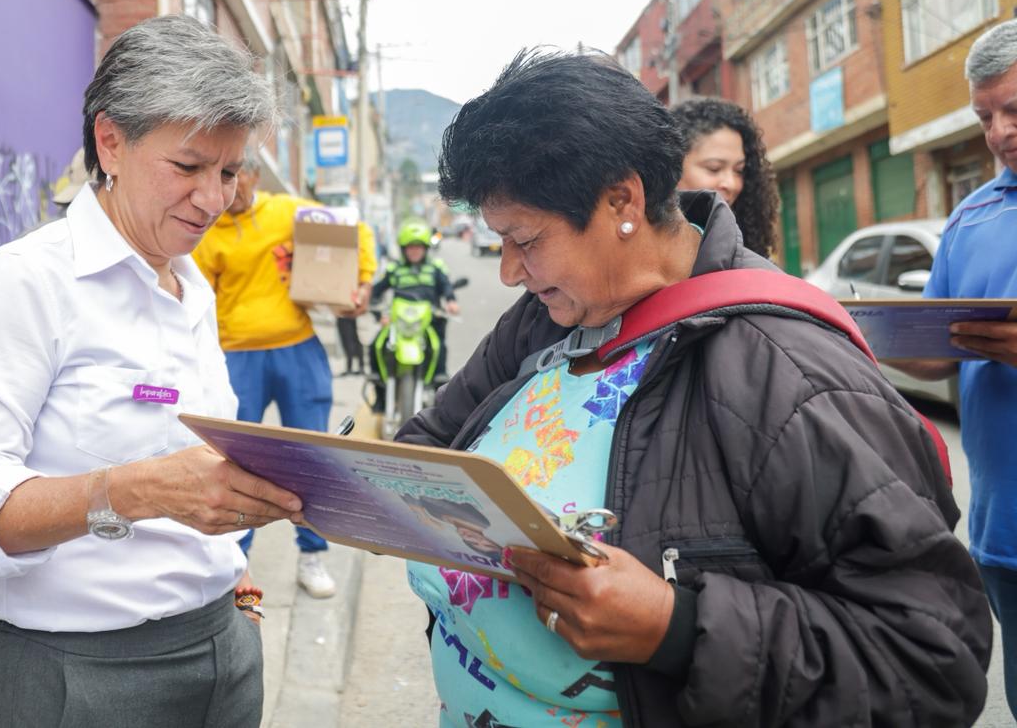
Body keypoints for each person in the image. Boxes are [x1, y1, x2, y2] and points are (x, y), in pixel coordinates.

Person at [397, 49, 991, 726]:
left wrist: (675, 629)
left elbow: (932, 662)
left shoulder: (792, 376)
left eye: (525, 239)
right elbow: (432, 442)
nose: (508, 272)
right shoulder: (543, 318)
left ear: (622, 199)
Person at [0, 15, 304, 727]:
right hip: (74, 675)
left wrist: (238, 594)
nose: (213, 200)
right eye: (187, 168)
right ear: (110, 141)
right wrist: (134, 492)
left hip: (220, 651)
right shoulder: (27, 283)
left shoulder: (190, 285)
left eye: (228, 173)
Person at [889, 18, 1017, 722]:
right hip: (1004, 536)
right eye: (984, 116)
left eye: (1014, 110)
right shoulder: (969, 218)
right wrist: (867, 335)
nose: (999, 132)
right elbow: (940, 348)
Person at [193, 156, 376, 599]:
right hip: (236, 358)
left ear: (252, 176)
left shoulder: (286, 211)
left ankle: (313, 557)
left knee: (312, 458)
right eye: (216, 178)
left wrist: (362, 283)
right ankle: (234, 564)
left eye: (232, 176)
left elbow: (356, 231)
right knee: (233, 464)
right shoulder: (203, 233)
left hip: (297, 348)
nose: (224, 190)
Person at [367, 218, 461, 412]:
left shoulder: (435, 268)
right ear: (403, 249)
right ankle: (380, 393)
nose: (414, 251)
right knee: (375, 345)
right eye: (410, 247)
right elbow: (375, 293)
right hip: (398, 320)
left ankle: (439, 389)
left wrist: (451, 302)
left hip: (428, 319)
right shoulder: (394, 270)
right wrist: (379, 316)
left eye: (419, 247)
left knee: (438, 346)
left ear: (426, 248)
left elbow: (446, 286)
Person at [670, 97, 778, 258]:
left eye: (739, 170)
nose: (732, 183)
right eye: (714, 168)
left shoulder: (747, 258)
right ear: (671, 168)